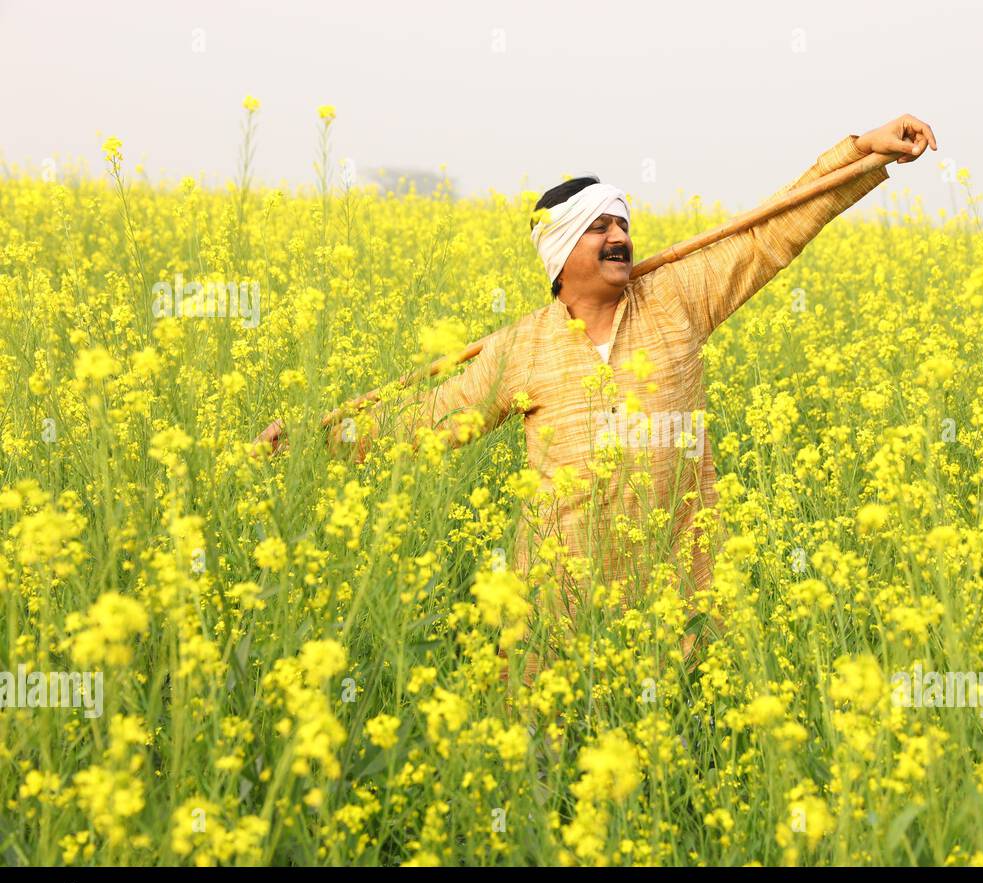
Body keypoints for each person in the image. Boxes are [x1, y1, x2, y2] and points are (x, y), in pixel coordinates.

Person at [256, 115, 937, 687]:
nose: (619, 237)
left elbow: (769, 232)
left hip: (676, 590)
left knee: (680, 753)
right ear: (558, 252)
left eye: (622, 223)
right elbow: (432, 421)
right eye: (598, 227)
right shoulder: (521, 348)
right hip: (557, 598)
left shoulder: (678, 300)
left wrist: (864, 153)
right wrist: (318, 442)